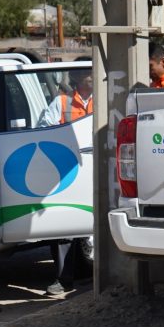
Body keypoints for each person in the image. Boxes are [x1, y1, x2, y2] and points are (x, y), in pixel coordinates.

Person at [43, 69, 95, 296]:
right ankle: (64, 278)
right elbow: (45, 131)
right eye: (87, 74)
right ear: (76, 78)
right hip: (69, 173)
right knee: (65, 226)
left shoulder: (104, 101)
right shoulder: (61, 103)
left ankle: (101, 274)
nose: (92, 77)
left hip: (97, 171)